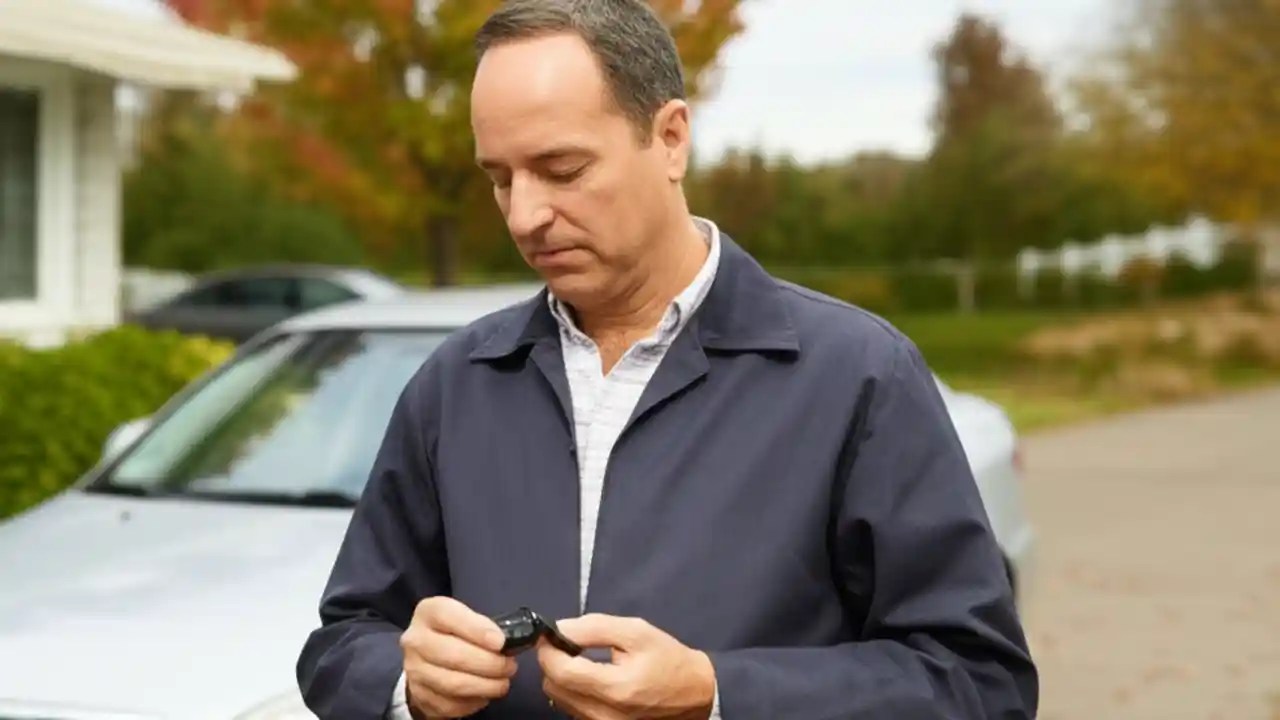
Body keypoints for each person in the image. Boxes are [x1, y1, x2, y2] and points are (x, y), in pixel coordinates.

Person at [295, 0, 1039, 717]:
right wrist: (404, 679)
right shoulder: (454, 386)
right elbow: (340, 642)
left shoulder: (859, 376)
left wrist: (718, 695)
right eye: (500, 178)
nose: (525, 215)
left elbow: (977, 682)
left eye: (561, 169)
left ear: (672, 138)